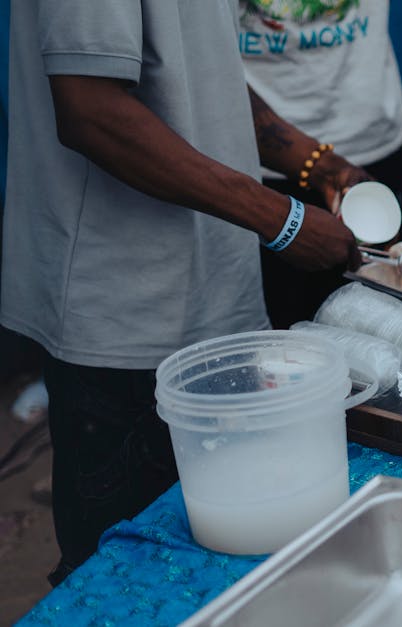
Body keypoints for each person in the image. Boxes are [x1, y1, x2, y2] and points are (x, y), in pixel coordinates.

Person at [3, 0, 366, 585]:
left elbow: (196, 74)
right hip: (122, 319)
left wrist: (314, 162)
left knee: (228, 570)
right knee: (127, 581)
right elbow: (90, 108)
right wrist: (281, 219)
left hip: (214, 300)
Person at [238, 0, 402, 329]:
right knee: (284, 344)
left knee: (391, 331)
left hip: (372, 140)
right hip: (259, 162)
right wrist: (319, 165)